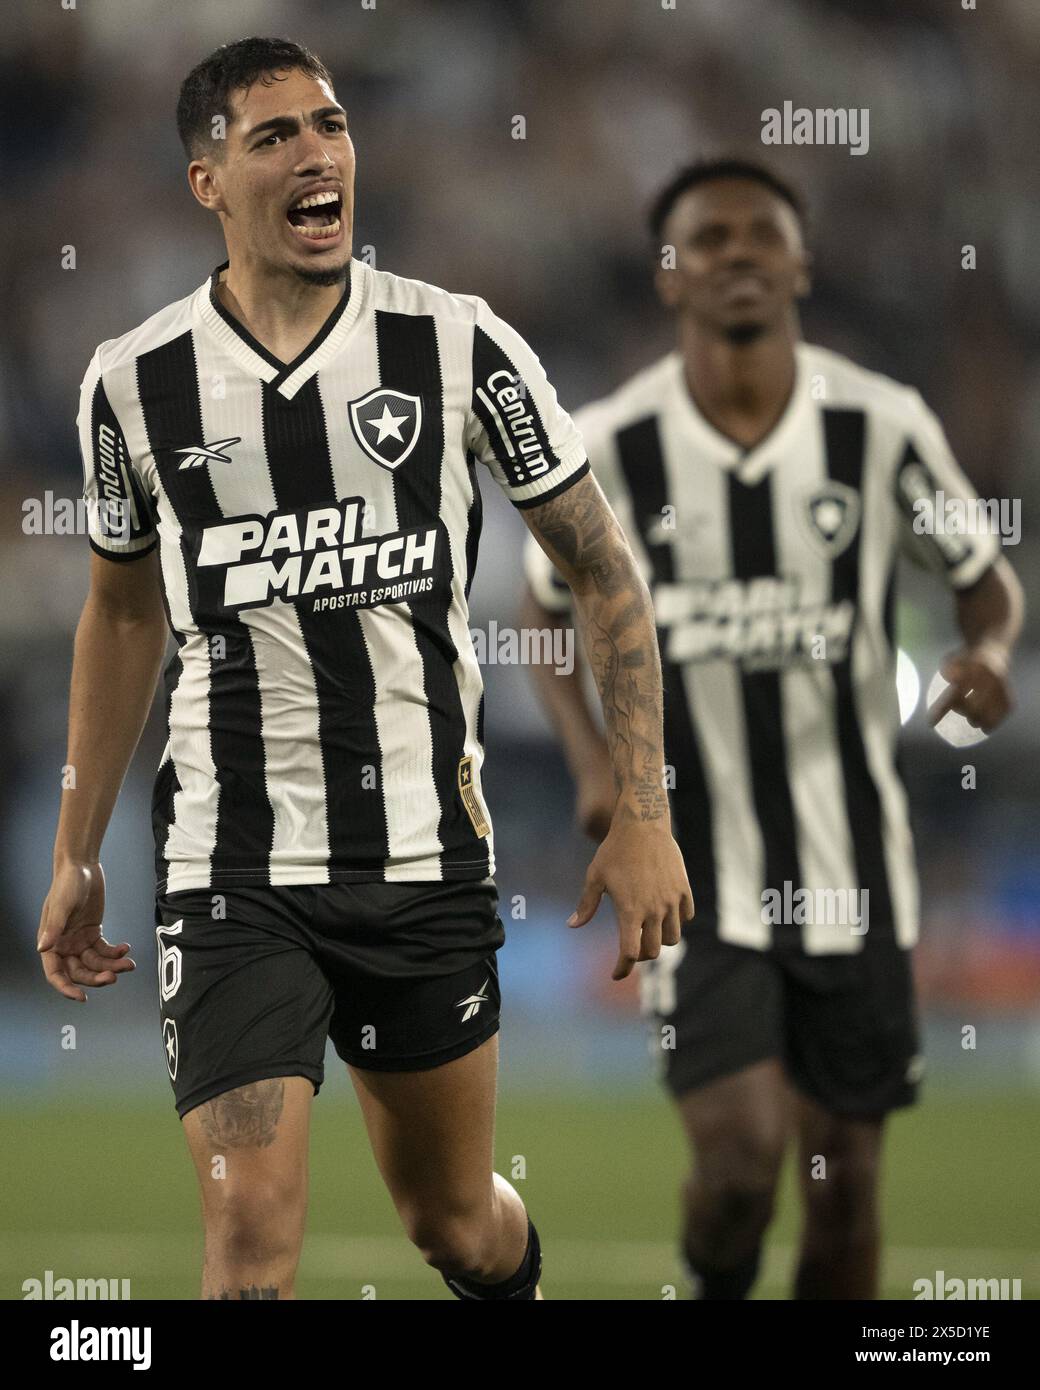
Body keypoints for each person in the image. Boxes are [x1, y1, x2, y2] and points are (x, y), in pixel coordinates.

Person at [37, 36, 692, 1302]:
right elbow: (118, 616)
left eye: (329, 124)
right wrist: (78, 847)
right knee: (247, 1238)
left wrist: (646, 808)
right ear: (206, 181)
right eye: (273, 134)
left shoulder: (458, 346)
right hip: (229, 869)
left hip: (423, 859)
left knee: (454, 1221)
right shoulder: (132, 383)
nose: (316, 152)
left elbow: (602, 570)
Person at [522, 159, 1023, 1299]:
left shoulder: (879, 426)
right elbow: (540, 612)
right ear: (668, 274)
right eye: (710, 238)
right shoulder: (612, 444)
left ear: (801, 265)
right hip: (688, 869)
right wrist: (594, 761)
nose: (738, 253)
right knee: (741, 1162)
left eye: (763, 235)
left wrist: (989, 656)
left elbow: (985, 582)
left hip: (854, 868)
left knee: (844, 1187)